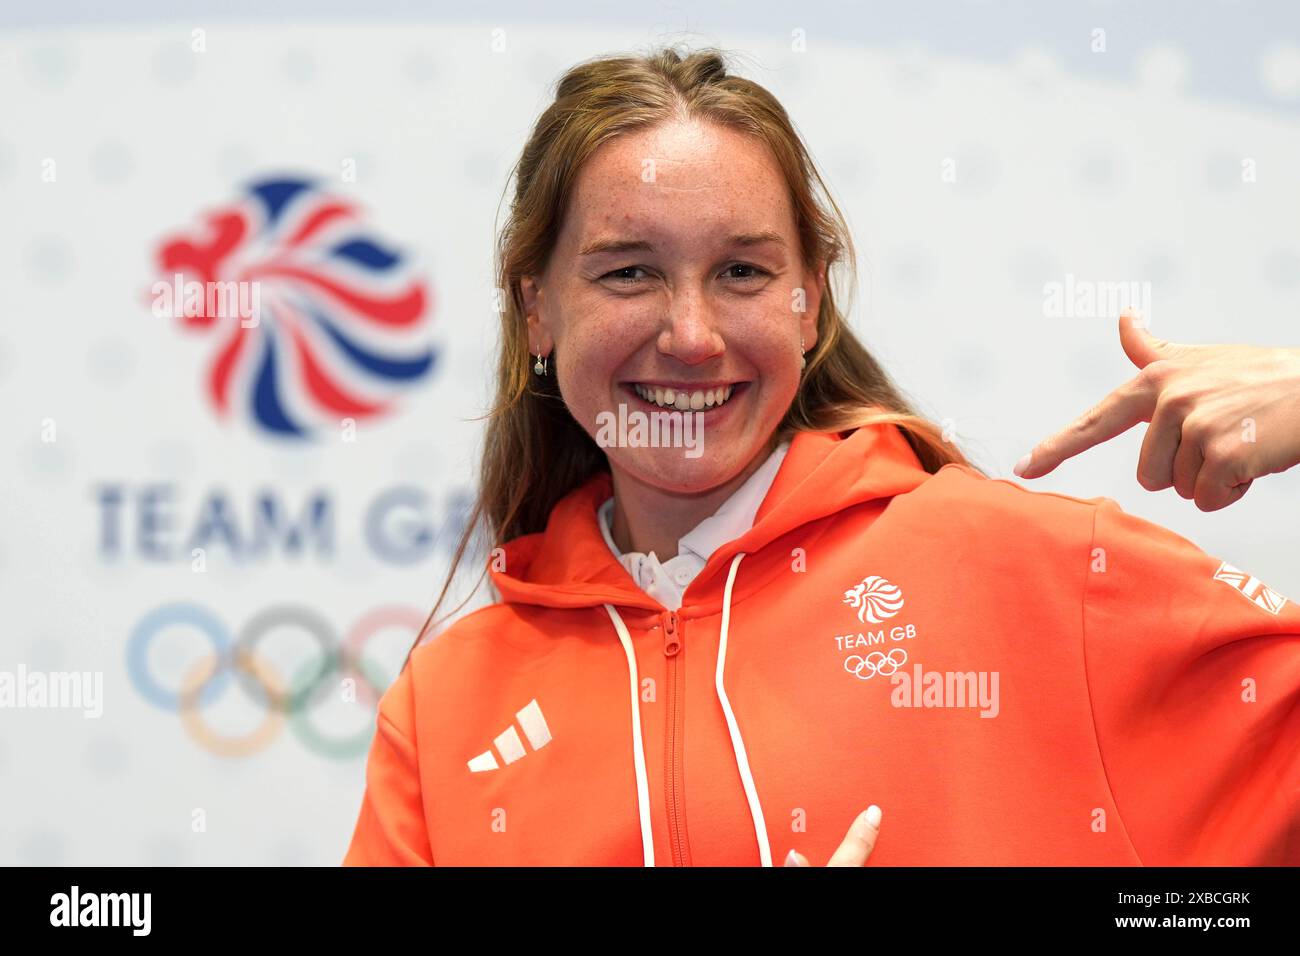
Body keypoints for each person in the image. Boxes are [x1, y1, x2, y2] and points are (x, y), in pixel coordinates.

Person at [343, 46, 1300, 866]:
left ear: (811, 303)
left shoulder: (1029, 570)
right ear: (537, 308)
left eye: (743, 273)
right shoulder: (446, 710)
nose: (690, 335)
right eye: (628, 270)